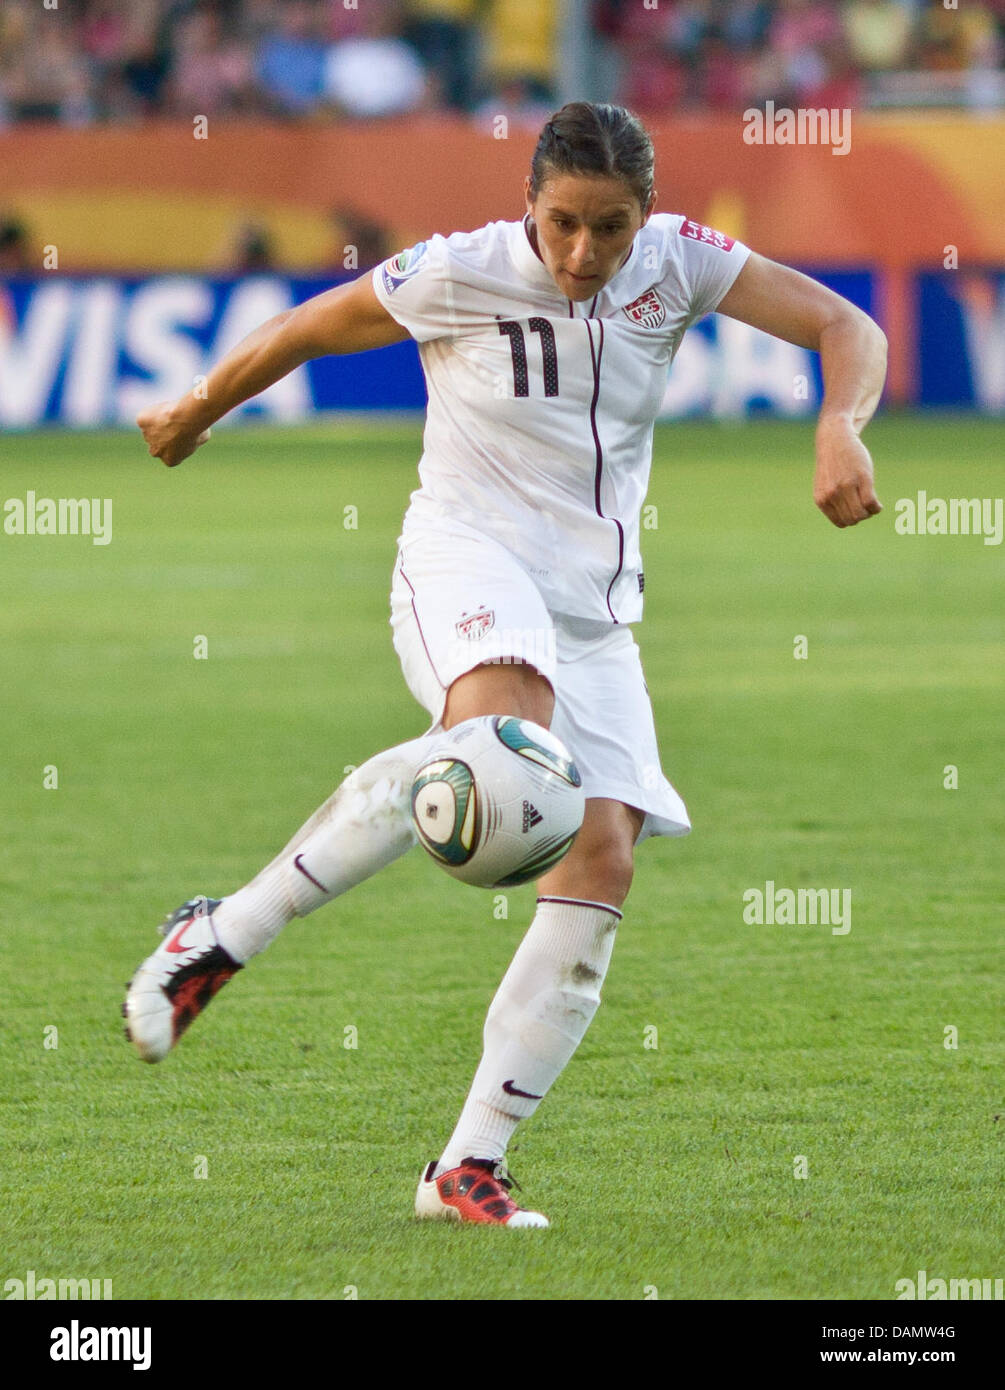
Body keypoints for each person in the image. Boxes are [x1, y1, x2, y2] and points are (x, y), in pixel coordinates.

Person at [124, 101, 886, 1228]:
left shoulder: (679, 264)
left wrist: (843, 425)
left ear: (646, 215)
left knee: (607, 851)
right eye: (564, 223)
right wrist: (199, 405)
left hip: (594, 607)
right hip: (465, 554)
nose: (584, 253)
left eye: (611, 228)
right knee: (501, 739)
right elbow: (311, 326)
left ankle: (466, 1164)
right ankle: (225, 933)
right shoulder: (459, 269)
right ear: (529, 204)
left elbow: (842, 324)